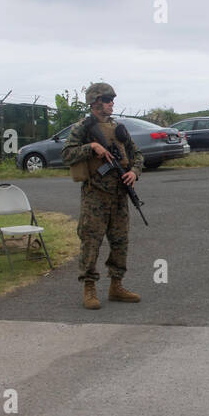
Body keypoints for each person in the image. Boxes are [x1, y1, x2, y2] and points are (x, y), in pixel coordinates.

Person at [61, 82, 144, 310]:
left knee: (120, 241)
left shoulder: (119, 128)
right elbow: (67, 154)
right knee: (91, 242)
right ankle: (89, 288)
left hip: (119, 194)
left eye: (111, 100)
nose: (112, 104)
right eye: (108, 100)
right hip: (95, 195)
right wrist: (92, 147)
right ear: (96, 102)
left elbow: (137, 154)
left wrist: (133, 173)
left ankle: (116, 286)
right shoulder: (83, 128)